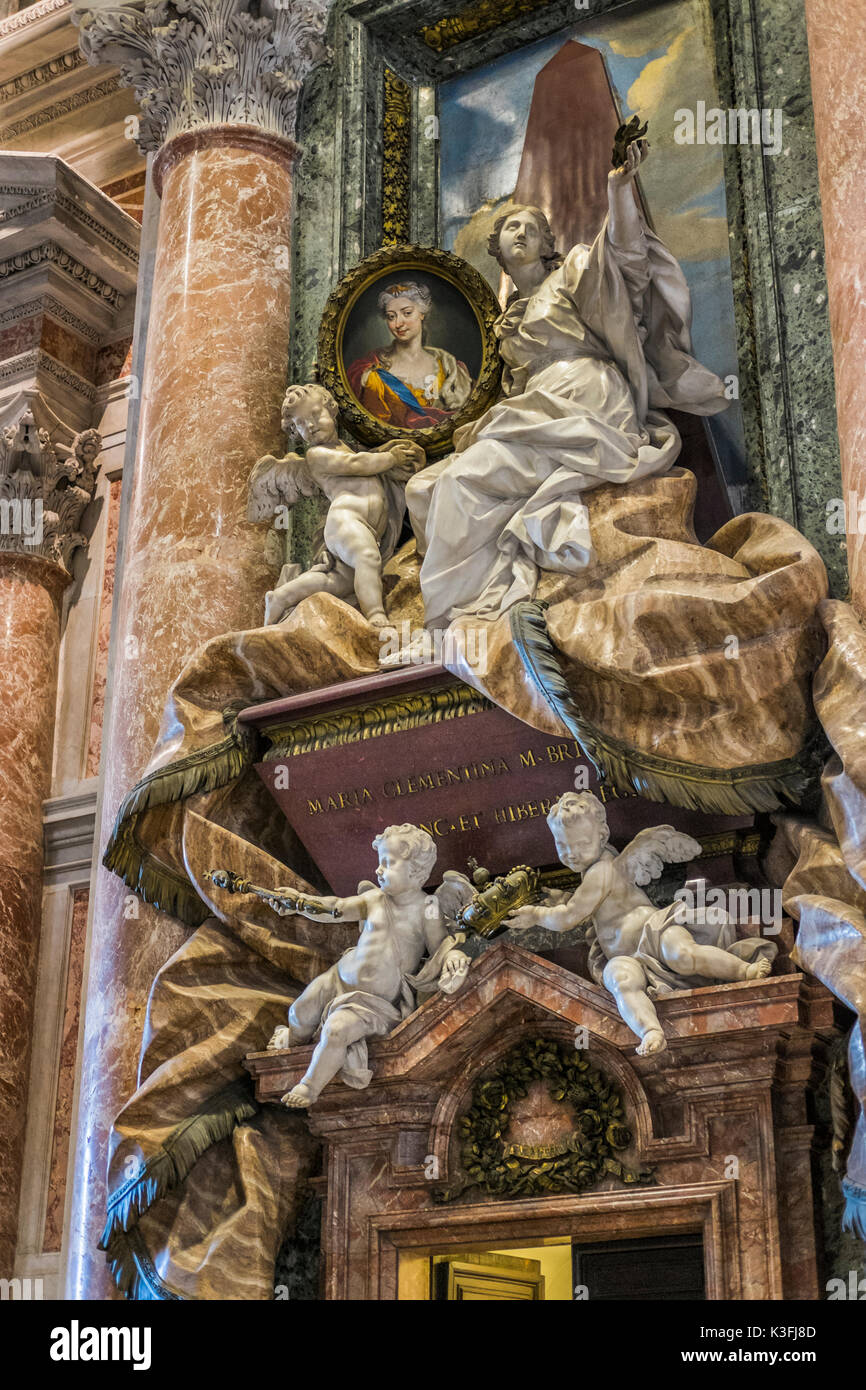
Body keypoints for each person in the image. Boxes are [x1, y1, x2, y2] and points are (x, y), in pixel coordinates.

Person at [406, 140, 730, 629]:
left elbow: (628, 260)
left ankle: (457, 621)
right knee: (423, 486)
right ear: (497, 248)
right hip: (537, 406)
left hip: (583, 394)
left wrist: (618, 187)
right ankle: (479, 597)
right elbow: (514, 390)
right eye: (511, 226)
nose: (521, 233)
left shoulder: (574, 272)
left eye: (532, 228)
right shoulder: (508, 320)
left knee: (458, 482)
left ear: (547, 243)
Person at [506, 792, 776, 1055]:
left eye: (580, 844)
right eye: (562, 846)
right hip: (625, 955)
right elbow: (581, 905)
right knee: (620, 979)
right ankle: (650, 1030)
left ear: (602, 836)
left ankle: (743, 970)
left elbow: (568, 917)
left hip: (654, 932)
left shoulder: (602, 870)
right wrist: (553, 898)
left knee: (682, 954)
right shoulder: (590, 873)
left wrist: (536, 916)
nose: (571, 854)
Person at [263, 823, 471, 1106]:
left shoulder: (429, 907)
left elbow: (440, 948)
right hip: (338, 978)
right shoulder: (374, 898)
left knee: (336, 1031)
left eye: (388, 863)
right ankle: (295, 1039)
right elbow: (334, 909)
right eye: (379, 862)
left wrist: (453, 956)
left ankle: (309, 1087)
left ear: (417, 870)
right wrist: (299, 903)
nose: (379, 870)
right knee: (300, 1011)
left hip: (374, 1004)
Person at [248, 383, 423, 628]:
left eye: (315, 414)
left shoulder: (342, 447)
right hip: (345, 521)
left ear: (331, 410)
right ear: (296, 433)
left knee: (338, 582)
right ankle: (375, 617)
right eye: (301, 423)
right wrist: (392, 458)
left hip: (365, 527)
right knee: (367, 557)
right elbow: (357, 464)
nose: (310, 425)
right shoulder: (317, 456)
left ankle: (280, 597)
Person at [348, 281, 472, 428]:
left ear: (422, 313)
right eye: (391, 316)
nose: (398, 323)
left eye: (407, 313)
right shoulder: (369, 370)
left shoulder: (448, 365)